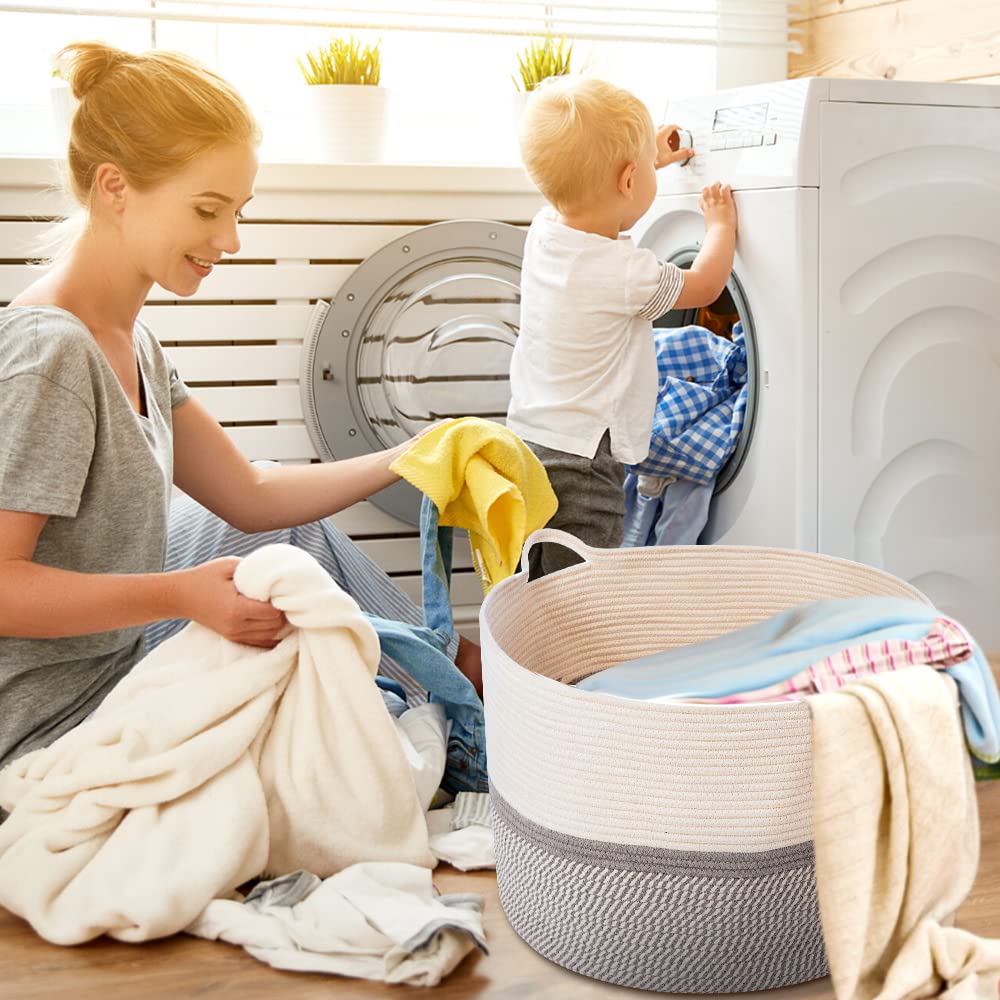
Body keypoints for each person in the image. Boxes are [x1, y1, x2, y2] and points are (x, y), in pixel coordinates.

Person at [0, 42, 482, 774]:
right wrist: (184, 595)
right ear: (114, 186)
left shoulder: (136, 348)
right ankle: (488, 705)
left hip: (116, 662)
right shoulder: (53, 355)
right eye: (206, 210)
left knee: (296, 541)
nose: (229, 240)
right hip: (55, 721)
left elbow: (251, 496)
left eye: (237, 212)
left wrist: (415, 454)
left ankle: (477, 687)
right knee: (343, 732)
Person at [505, 76, 739, 576]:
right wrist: (720, 228)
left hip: (528, 442)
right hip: (585, 466)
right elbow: (705, 287)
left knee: (535, 579)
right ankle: (580, 656)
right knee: (583, 590)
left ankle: (528, 651)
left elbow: (593, 183)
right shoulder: (624, 272)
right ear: (629, 181)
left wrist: (645, 157)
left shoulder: (545, 230)